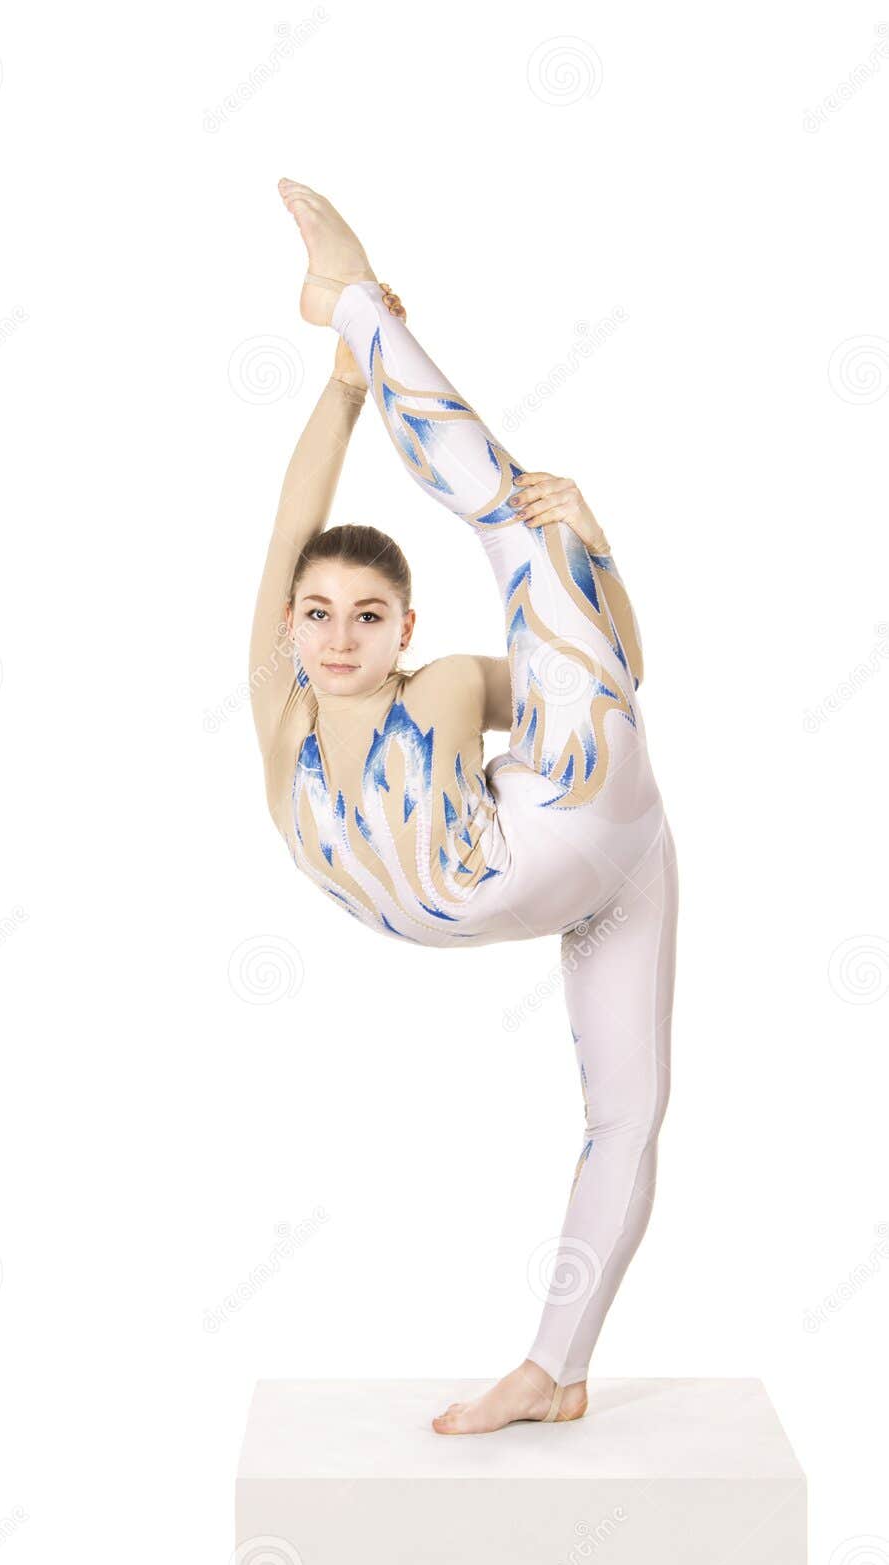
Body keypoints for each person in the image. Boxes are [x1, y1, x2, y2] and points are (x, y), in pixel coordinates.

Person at [248, 178, 679, 1435]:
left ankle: (356, 298)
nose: (337, 635)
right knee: (622, 1118)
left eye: (366, 617)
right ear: (291, 628)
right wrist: (338, 389)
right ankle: (554, 1374)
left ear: (401, 629)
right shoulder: (280, 725)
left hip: (580, 814)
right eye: (318, 614)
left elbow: (615, 672)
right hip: (603, 872)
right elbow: (289, 530)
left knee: (523, 533)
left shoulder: (439, 689)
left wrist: (591, 542)